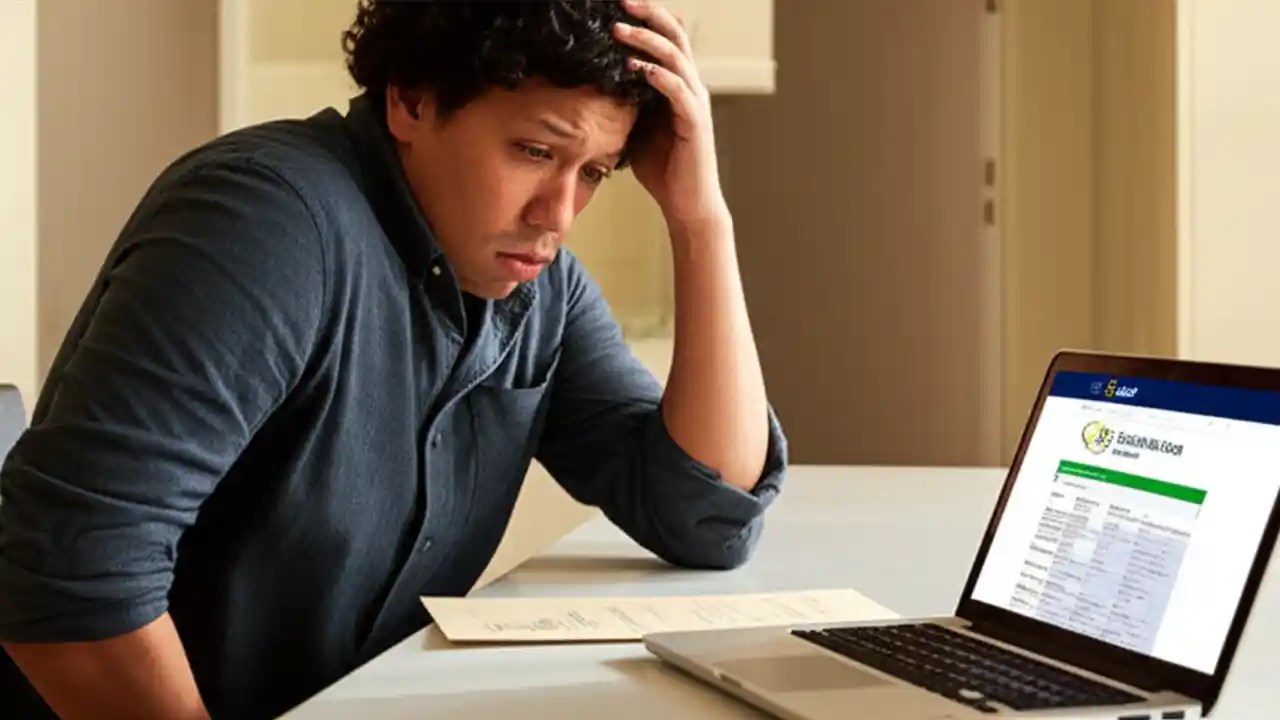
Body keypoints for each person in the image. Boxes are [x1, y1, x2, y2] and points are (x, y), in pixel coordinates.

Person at [0, 0, 788, 717]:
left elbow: (705, 515)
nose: (559, 214)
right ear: (409, 100)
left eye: (594, 174)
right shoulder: (265, 224)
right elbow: (72, 570)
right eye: (533, 150)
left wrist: (699, 219)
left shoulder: (538, 287)